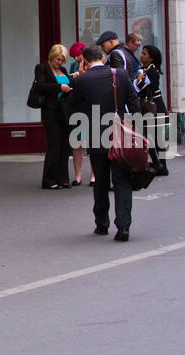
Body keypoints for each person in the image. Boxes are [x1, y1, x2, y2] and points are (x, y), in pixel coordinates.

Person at [67, 44, 142, 241]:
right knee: (122, 181)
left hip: (95, 134)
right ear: (102, 56)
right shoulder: (121, 75)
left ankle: (102, 223)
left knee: (100, 181)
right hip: (119, 134)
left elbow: (73, 106)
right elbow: (134, 104)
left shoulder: (82, 80)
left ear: (85, 60)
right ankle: (124, 226)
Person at [34, 44, 72, 188]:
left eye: (62, 60)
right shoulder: (41, 68)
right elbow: (41, 86)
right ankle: (49, 179)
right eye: (58, 59)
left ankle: (63, 178)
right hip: (51, 111)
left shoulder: (63, 70)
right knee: (54, 145)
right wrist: (59, 87)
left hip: (64, 111)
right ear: (52, 57)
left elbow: (69, 82)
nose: (60, 63)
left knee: (64, 147)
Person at [134, 44, 168, 176]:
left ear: (151, 58)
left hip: (155, 106)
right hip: (146, 106)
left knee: (156, 137)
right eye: (141, 53)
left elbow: (151, 89)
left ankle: (162, 165)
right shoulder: (143, 69)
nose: (141, 56)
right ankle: (157, 162)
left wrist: (140, 82)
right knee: (149, 136)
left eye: (144, 54)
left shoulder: (152, 70)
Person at [67, 43, 89, 186]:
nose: (76, 58)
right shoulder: (73, 65)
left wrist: (82, 74)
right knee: (77, 143)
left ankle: (94, 176)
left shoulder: (91, 65)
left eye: (78, 55)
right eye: (74, 56)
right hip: (77, 106)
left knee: (93, 142)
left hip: (89, 105)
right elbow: (71, 83)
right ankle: (78, 175)